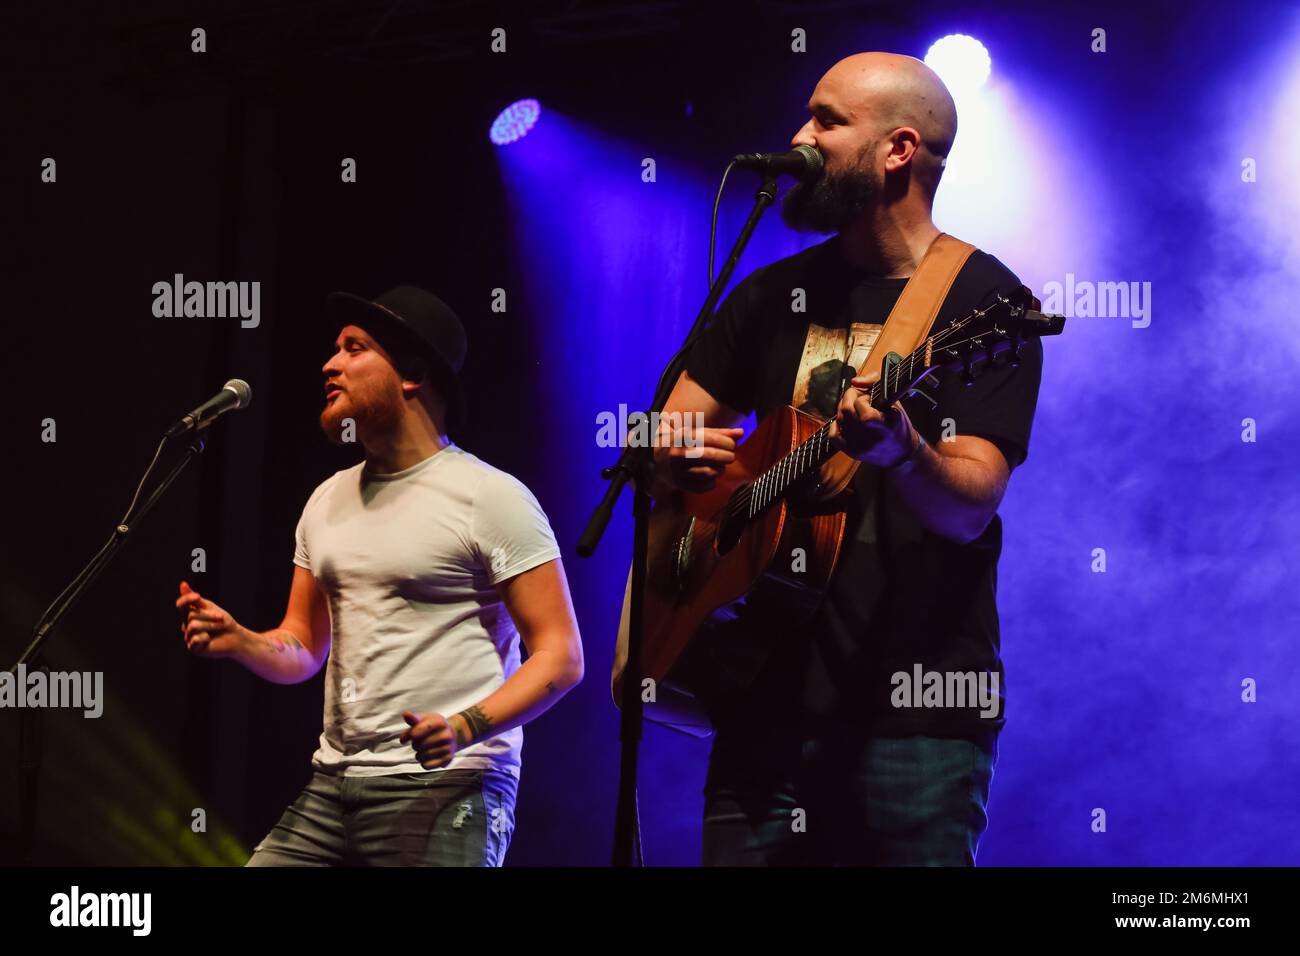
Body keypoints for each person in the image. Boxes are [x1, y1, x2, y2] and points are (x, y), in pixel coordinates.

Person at [654, 53, 1044, 865]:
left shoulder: (985, 304)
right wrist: (674, 456)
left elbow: (970, 506)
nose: (800, 137)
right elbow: (669, 435)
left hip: (912, 717)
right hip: (757, 694)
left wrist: (903, 452)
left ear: (899, 149)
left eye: (827, 120)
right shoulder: (772, 293)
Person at [176, 285, 583, 866]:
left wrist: (465, 726)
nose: (330, 363)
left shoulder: (490, 497)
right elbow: (304, 646)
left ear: (412, 373)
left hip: (447, 785)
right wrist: (242, 641)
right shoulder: (325, 500)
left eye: (353, 348)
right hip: (331, 787)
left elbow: (562, 657)